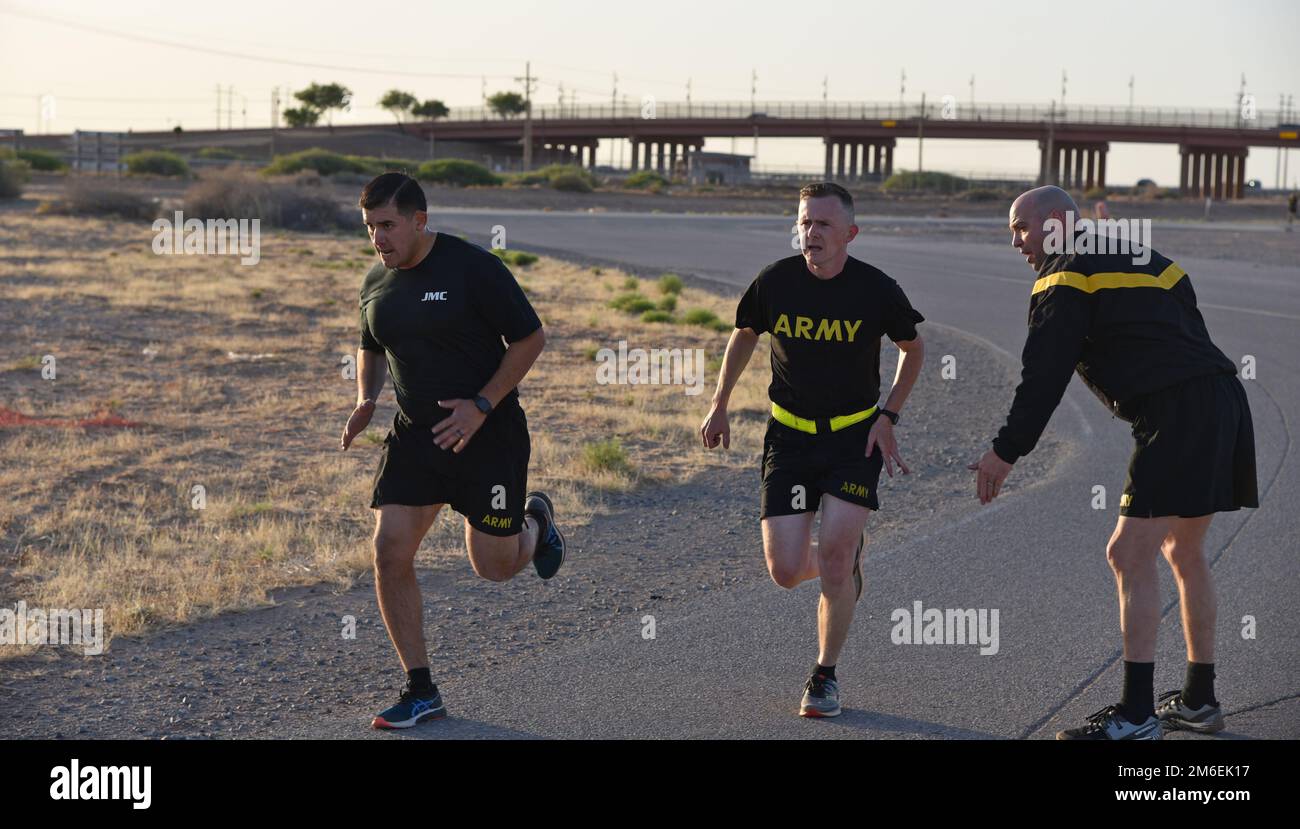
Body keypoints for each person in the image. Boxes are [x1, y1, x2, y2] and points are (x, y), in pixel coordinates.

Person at [971, 185, 1258, 740]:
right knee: (1183, 549)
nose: (1015, 242)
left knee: (1127, 553)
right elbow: (1188, 332)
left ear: (1056, 222)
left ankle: (1136, 715)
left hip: (1176, 412)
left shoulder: (1064, 273)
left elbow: (1044, 374)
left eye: (1020, 228)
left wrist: (1005, 451)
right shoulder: (1151, 259)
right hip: (1223, 398)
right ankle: (1199, 700)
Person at [340, 173, 566, 729]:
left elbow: (530, 338)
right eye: (370, 228)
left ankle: (535, 523)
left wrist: (481, 405)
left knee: (492, 567)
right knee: (389, 551)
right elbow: (370, 343)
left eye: (387, 226)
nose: (378, 239)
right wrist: (367, 398)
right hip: (417, 438)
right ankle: (421, 689)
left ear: (420, 220)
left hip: (488, 435)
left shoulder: (473, 268)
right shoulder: (376, 280)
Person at [701, 182, 925, 717]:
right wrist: (720, 401)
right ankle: (843, 564)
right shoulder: (775, 281)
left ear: (850, 232)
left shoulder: (876, 289)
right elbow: (746, 334)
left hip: (854, 437)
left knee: (833, 556)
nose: (811, 232)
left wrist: (889, 415)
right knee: (783, 570)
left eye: (824, 224)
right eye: (805, 222)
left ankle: (824, 675)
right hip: (789, 436)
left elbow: (913, 349)